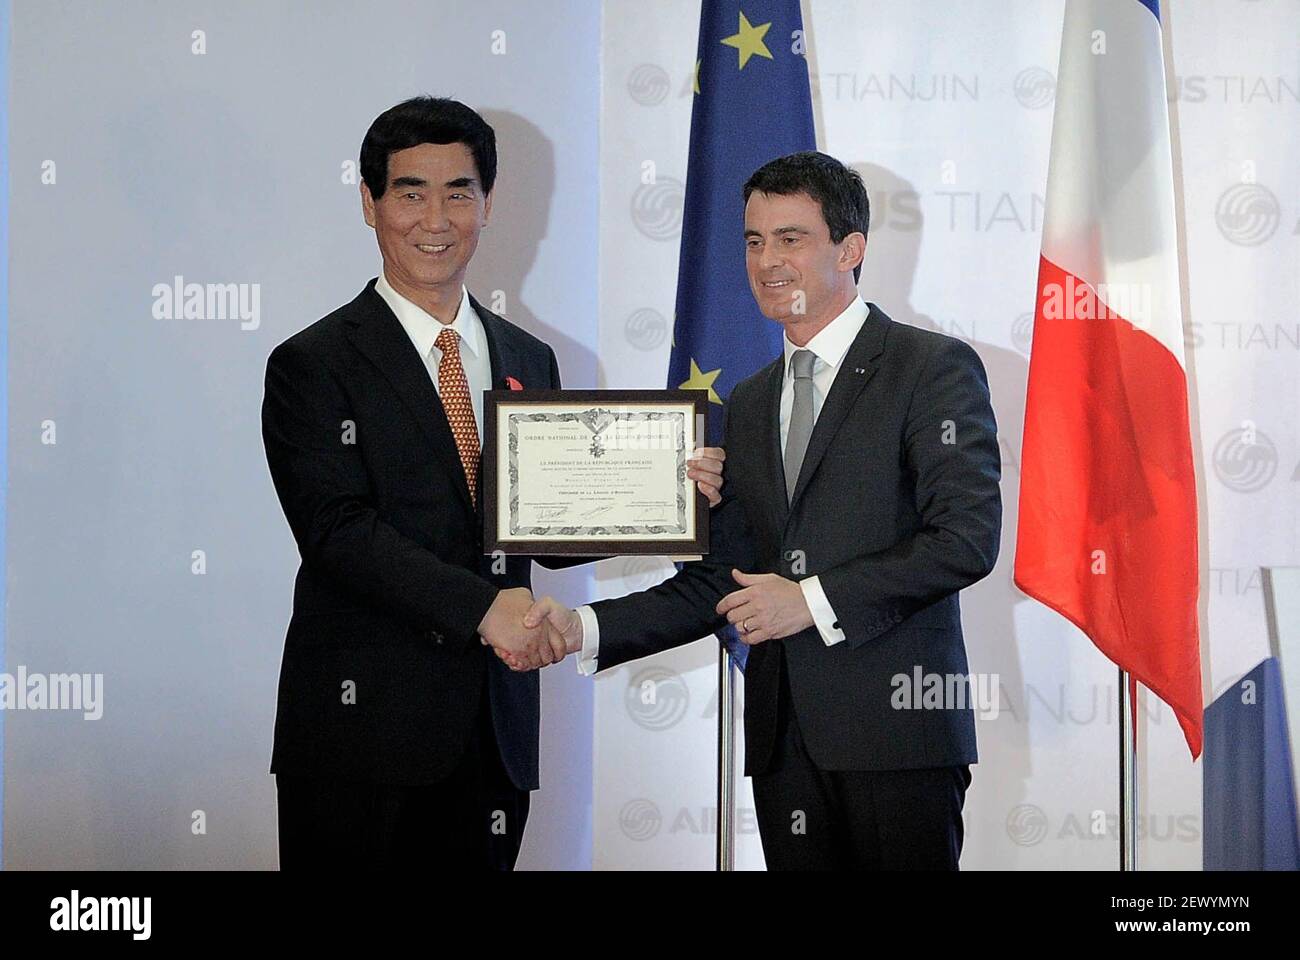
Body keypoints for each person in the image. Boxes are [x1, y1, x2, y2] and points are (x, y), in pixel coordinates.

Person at [261, 96, 723, 870]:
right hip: (361, 737)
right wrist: (485, 609)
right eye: (410, 192)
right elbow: (338, 532)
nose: (434, 217)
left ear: (489, 204)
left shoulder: (527, 357)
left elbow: (540, 521)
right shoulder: (314, 364)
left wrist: (670, 488)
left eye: (459, 192)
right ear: (369, 204)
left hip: (494, 735)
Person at [521, 151, 1002, 870]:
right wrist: (582, 626)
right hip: (783, 747)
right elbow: (728, 579)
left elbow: (965, 539)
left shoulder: (929, 367)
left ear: (852, 249)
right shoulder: (747, 401)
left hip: (898, 738)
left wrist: (809, 601)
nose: (768, 260)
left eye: (791, 238)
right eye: (753, 240)